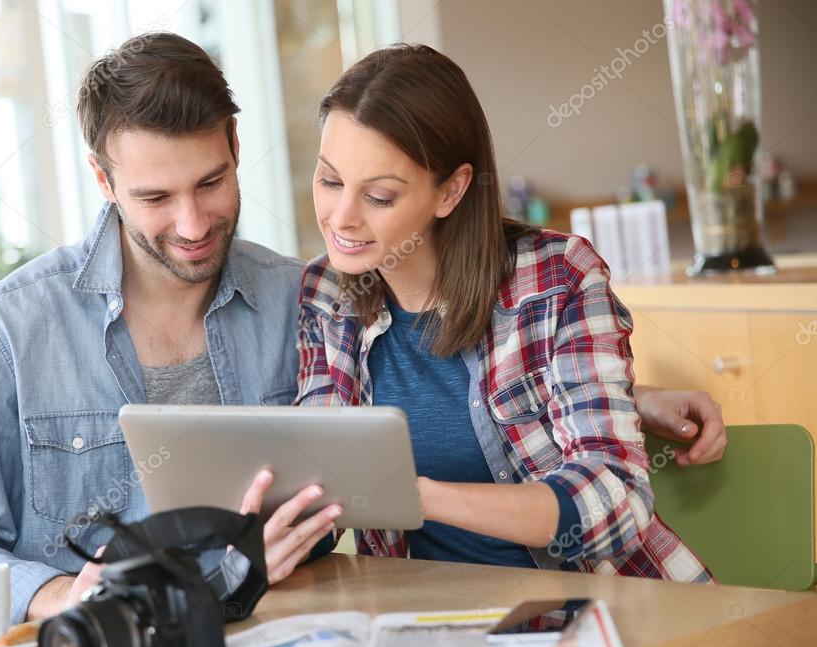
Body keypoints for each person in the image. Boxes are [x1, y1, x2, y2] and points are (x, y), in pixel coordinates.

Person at [0, 33, 724, 637]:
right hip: (149, 646)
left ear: (237, 150)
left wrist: (618, 398)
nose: (191, 223)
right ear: (103, 181)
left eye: (213, 182)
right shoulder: (12, 329)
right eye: (154, 198)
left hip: (538, 615)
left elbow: (510, 422)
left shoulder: (294, 293)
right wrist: (52, 597)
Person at [295, 43, 712, 580]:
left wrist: (416, 496)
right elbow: (321, 484)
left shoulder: (557, 277)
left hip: (585, 614)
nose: (341, 217)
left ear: (451, 190)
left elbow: (616, 497)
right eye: (329, 182)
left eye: (378, 196)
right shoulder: (326, 293)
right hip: (420, 629)